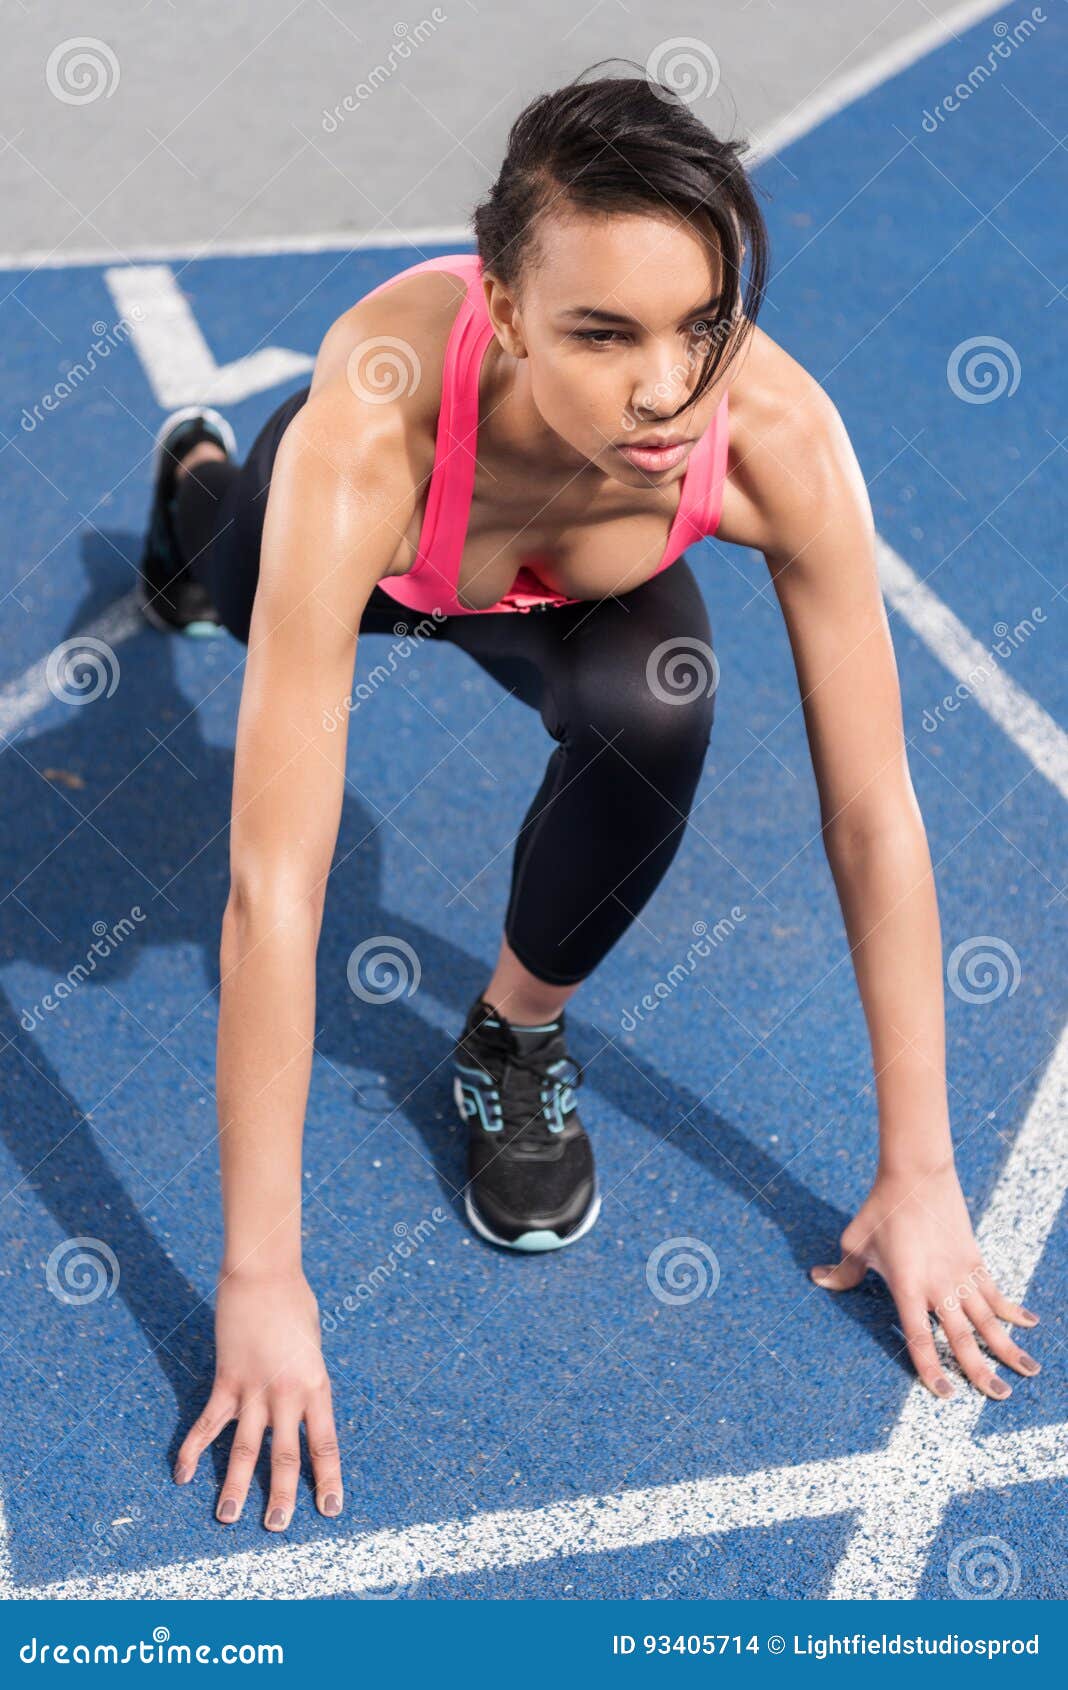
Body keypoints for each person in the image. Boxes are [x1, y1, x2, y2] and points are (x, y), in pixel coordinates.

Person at [146, 69, 1040, 1534]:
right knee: (222, 575)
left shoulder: (766, 439)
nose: (667, 385)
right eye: (603, 331)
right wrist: (261, 1276)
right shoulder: (368, 439)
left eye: (701, 324)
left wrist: (922, 1171)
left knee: (659, 703)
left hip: (566, 593)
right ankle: (188, 494)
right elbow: (278, 886)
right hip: (384, 539)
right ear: (500, 309)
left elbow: (873, 810)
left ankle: (514, 1030)